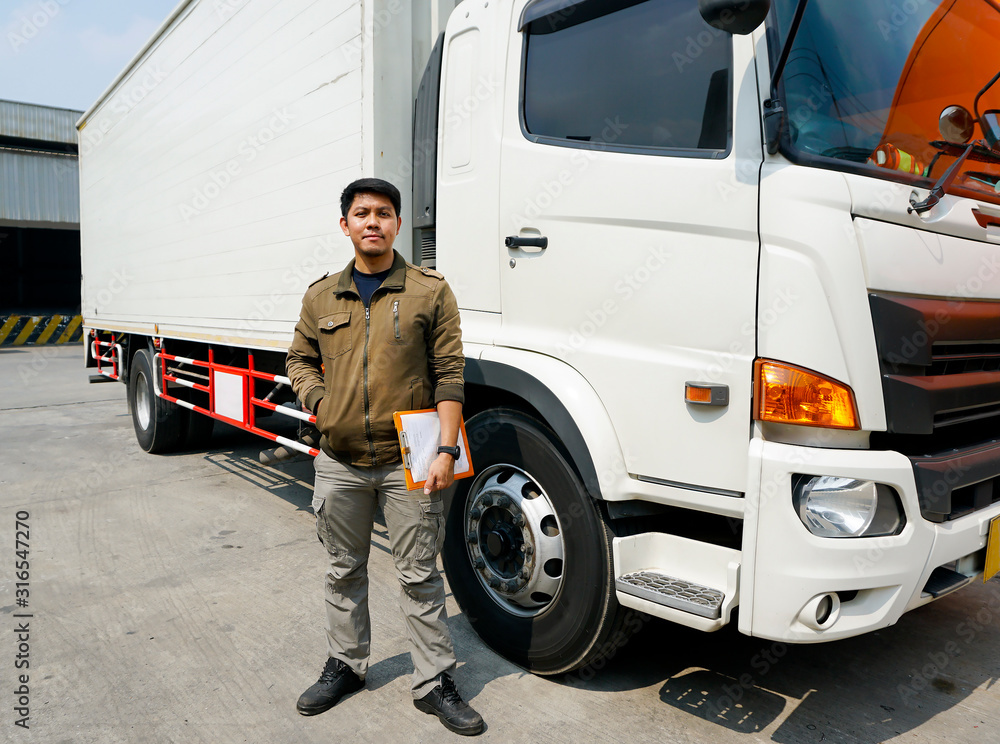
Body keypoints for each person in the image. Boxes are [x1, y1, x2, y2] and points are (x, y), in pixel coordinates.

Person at [285, 178, 484, 736]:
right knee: (343, 569)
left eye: (384, 213)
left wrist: (446, 449)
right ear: (344, 224)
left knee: (420, 575)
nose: (373, 221)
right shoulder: (321, 296)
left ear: (398, 224)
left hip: (408, 461)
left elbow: (450, 375)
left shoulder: (429, 292)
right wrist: (320, 403)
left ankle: (434, 681)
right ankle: (346, 666)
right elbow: (298, 358)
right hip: (340, 459)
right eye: (362, 213)